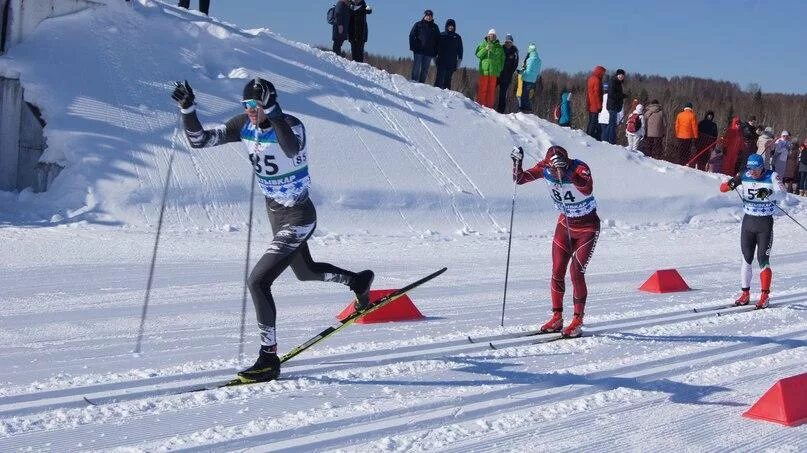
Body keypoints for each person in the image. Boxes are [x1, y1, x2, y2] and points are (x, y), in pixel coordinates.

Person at [170, 78, 375, 382]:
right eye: (247, 106)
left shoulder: (291, 125)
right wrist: (188, 110)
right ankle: (357, 281)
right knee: (305, 272)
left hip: (299, 215)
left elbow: (291, 149)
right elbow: (199, 140)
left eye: (256, 105)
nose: (250, 111)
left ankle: (268, 357)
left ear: (269, 103)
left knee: (257, 281)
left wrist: (273, 111)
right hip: (276, 215)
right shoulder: (244, 125)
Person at [510, 145, 600, 338]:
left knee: (576, 271)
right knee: (557, 270)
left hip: (587, 228)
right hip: (564, 225)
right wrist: (517, 162)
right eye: (551, 169)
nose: (553, 172)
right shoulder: (545, 167)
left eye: (557, 168)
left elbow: (587, 188)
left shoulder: (579, 167)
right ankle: (557, 317)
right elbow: (520, 179)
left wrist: (568, 174)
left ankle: (577, 319)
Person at [720, 153, 786, 309]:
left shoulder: (772, 176)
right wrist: (729, 185)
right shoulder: (744, 174)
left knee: (763, 259)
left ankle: (764, 296)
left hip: (764, 223)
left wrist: (769, 193)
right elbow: (724, 188)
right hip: (748, 221)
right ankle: (745, 294)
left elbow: (783, 194)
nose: (753, 172)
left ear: (762, 167)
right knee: (746, 258)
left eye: (756, 169)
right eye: (750, 169)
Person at [475, 29, 504, 109]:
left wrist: (499, 68)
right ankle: (480, 105)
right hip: (484, 71)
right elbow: (478, 54)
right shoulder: (483, 44)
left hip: (494, 72)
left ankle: (489, 107)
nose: (493, 37)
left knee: (491, 91)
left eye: (494, 35)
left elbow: (502, 59)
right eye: (491, 35)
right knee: (483, 89)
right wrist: (486, 49)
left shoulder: (499, 47)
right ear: (488, 35)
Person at [408, 10, 440, 83]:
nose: (428, 17)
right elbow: (412, 35)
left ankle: (422, 84)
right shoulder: (418, 24)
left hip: (429, 52)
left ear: (432, 17)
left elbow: (438, 40)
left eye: (430, 16)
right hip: (418, 50)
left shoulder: (435, 27)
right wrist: (413, 47)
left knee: (425, 69)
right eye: (427, 16)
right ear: (424, 16)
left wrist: (436, 52)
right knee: (416, 67)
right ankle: (414, 82)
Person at [434, 18, 463, 90]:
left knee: (448, 80)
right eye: (449, 26)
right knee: (439, 79)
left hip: (451, 62)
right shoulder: (441, 35)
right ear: (446, 26)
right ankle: (435, 94)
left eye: (452, 26)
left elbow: (460, 50)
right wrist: (434, 57)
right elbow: (435, 47)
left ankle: (447, 96)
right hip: (441, 61)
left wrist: (459, 60)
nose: (451, 27)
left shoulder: (457, 37)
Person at [495, 34, 519, 114]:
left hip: (506, 76)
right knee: (491, 89)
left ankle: (500, 111)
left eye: (510, 42)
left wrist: (509, 73)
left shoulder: (514, 52)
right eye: (507, 42)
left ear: (512, 43)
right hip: (498, 74)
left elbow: (515, 65)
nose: (508, 43)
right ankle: (487, 106)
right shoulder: (501, 49)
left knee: (502, 94)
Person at [603, 69, 626, 144]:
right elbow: (612, 94)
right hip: (612, 106)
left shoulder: (618, 83)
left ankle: (606, 139)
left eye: (622, 76)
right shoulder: (613, 82)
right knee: (612, 124)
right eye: (620, 75)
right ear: (617, 75)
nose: (621, 77)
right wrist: (622, 96)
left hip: (614, 106)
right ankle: (611, 141)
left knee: (611, 124)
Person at [517, 42, 541, 113]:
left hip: (527, 79)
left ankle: (525, 109)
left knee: (524, 95)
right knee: (528, 95)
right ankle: (526, 108)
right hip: (533, 80)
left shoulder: (530, 59)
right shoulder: (538, 60)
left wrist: (521, 72)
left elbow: (528, 70)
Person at [585, 66, 606, 139]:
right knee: (593, 121)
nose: (603, 75)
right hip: (595, 104)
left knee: (591, 121)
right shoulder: (597, 80)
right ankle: (590, 136)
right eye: (603, 73)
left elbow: (589, 92)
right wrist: (599, 106)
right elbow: (597, 94)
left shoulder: (591, 78)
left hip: (590, 103)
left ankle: (588, 134)